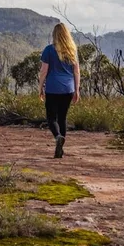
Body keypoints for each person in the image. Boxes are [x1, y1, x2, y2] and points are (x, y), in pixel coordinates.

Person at [38, 23, 80, 159]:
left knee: (51, 117)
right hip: (68, 88)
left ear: (54, 35)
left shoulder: (49, 50)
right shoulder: (72, 50)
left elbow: (44, 71)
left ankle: (58, 137)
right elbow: (76, 71)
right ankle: (60, 149)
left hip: (53, 87)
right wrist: (77, 89)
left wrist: (40, 88)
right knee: (62, 117)